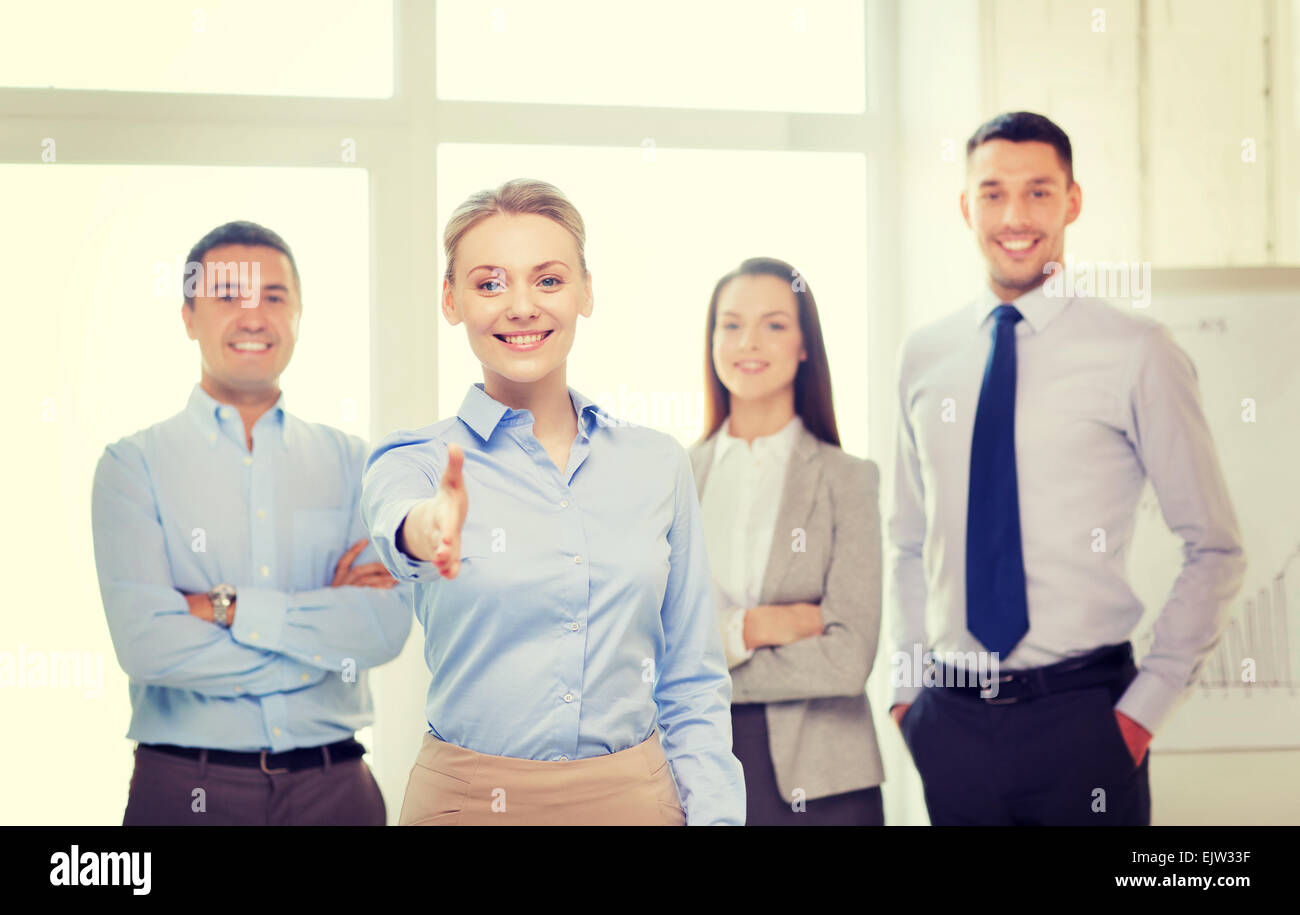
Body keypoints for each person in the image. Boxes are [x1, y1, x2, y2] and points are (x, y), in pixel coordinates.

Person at [887, 112, 1247, 825]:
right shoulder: (924, 355)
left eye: (1039, 192)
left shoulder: (1138, 351)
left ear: (1072, 202)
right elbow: (906, 538)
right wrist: (908, 699)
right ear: (966, 207)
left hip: (1085, 723)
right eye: (992, 193)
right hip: (951, 722)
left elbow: (1215, 547)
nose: (1014, 215)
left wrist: (1141, 713)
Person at [360, 178, 745, 826]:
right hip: (467, 804)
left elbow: (692, 678)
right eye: (489, 283)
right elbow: (401, 526)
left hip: (637, 800)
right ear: (450, 300)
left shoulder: (656, 463)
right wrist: (430, 529)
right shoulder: (416, 459)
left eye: (547, 280)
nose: (520, 306)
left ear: (585, 291)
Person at [91, 221, 411, 826]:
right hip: (187, 789)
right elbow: (148, 646)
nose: (254, 316)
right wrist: (317, 632)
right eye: (229, 297)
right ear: (189, 316)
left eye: (273, 296)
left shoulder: (355, 462)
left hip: (337, 791)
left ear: (298, 314)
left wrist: (223, 607)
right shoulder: (132, 466)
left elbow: (381, 631)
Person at [691, 257, 885, 825]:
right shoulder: (672, 477)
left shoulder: (848, 479)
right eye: (731, 324)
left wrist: (711, 658)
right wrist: (755, 627)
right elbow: (650, 646)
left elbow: (848, 661)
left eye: (774, 324)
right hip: (699, 769)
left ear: (805, 344)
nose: (749, 341)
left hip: (827, 779)